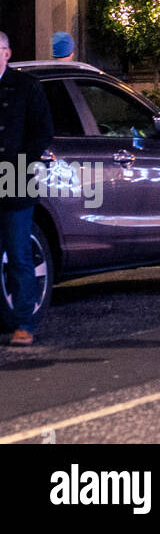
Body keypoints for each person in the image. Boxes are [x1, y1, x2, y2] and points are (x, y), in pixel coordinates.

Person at [0, 30, 54, 346]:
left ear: (7, 53)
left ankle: (24, 323)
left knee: (19, 254)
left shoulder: (26, 87)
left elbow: (42, 132)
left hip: (15, 177)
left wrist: (21, 163)